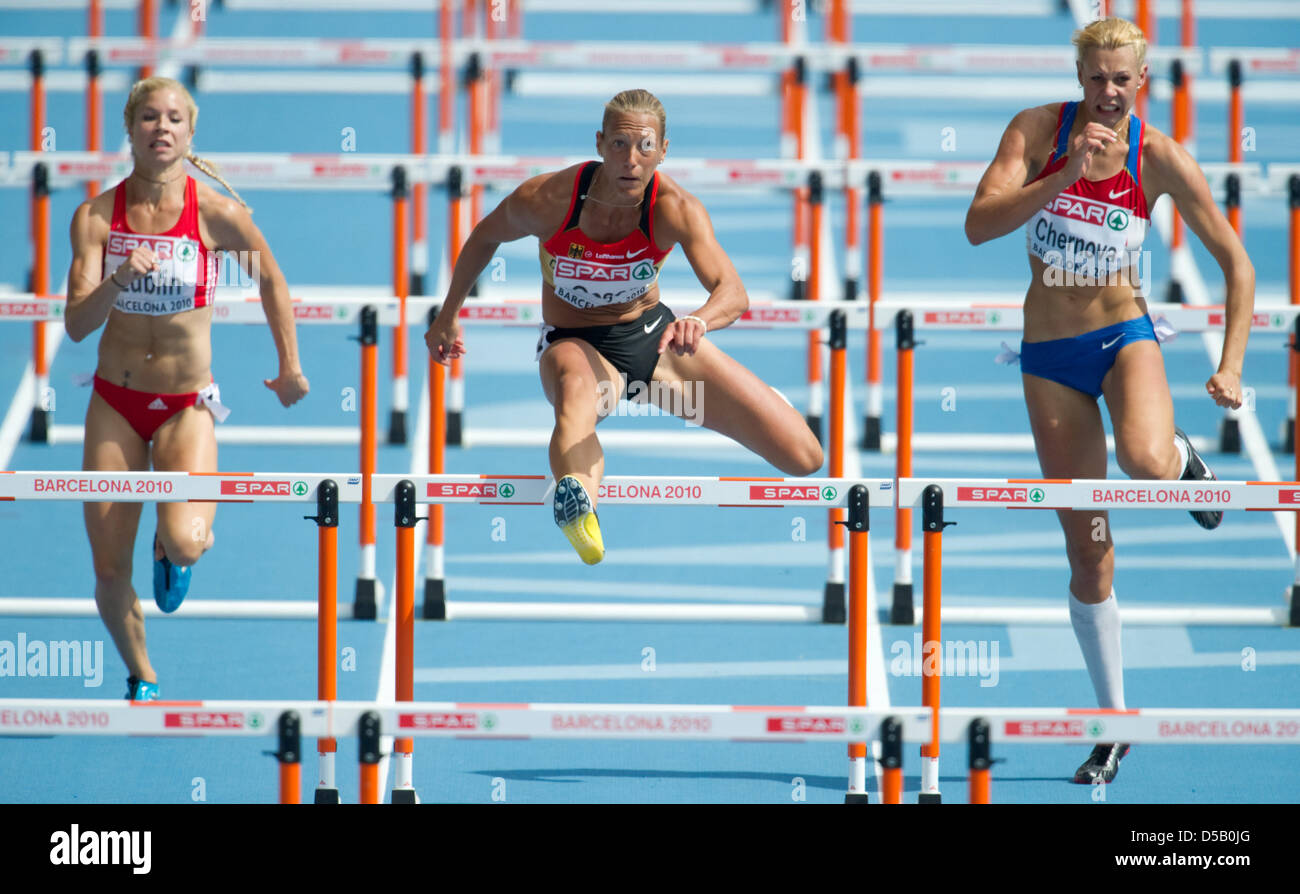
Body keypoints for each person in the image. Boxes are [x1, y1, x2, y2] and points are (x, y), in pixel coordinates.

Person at [965, 17, 1254, 784]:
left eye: (1121, 80)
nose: (1107, 93)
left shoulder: (1159, 158)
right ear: (1080, 78)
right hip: (1050, 356)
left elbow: (1237, 265)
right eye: (1095, 78)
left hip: (1123, 335)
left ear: (1142, 83)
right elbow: (976, 226)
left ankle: (1184, 457)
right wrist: (1060, 178)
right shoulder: (1035, 132)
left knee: (1146, 462)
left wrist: (1229, 366)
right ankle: (1114, 723)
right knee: (1087, 549)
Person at [425, 89, 823, 564]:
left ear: (664, 150)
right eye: (619, 145)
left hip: (654, 340)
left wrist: (699, 320)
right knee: (576, 392)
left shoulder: (674, 208)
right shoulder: (549, 199)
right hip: (574, 341)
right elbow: (484, 236)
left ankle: (755, 399)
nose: (631, 160)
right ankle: (579, 506)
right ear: (599, 143)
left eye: (645, 147)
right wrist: (448, 314)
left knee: (804, 458)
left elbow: (732, 292)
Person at [64, 77, 310, 701]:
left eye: (174, 118)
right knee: (108, 571)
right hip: (115, 402)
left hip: (185, 406)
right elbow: (75, 325)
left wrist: (289, 367)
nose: (162, 127)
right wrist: (117, 278)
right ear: (131, 128)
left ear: (190, 133)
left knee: (185, 543)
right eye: (149, 116)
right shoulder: (96, 218)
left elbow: (273, 282)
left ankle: (171, 544)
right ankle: (142, 674)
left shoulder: (216, 215)